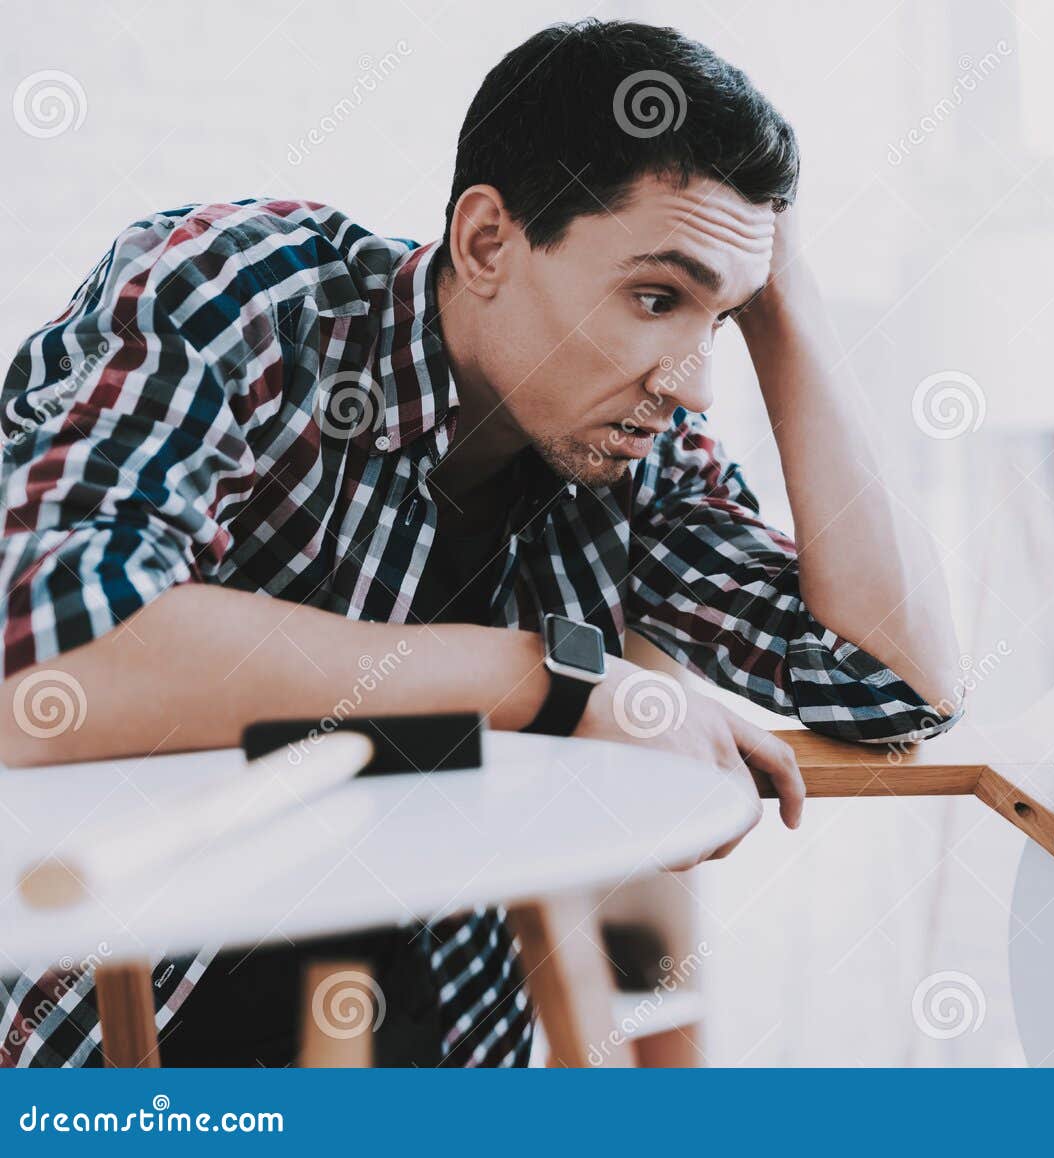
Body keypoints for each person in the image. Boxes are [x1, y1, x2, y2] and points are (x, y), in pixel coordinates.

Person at [0, 18, 961, 1067]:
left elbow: (890, 683)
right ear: (488, 241)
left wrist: (791, 311)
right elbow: (49, 655)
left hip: (442, 1044)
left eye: (718, 318)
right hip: (113, 1037)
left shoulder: (637, 447)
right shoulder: (256, 297)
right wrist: (549, 680)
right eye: (655, 297)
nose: (692, 382)